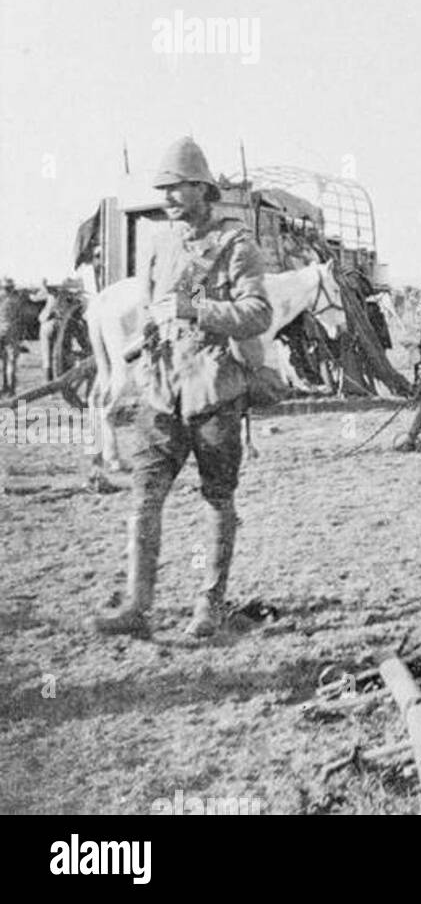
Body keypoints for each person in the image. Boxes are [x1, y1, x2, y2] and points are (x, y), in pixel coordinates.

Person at [94, 137, 271, 640]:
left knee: (217, 499)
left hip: (213, 391)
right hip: (161, 391)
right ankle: (136, 604)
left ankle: (209, 606)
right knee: (144, 498)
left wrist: (199, 310)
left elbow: (258, 313)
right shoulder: (160, 243)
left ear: (203, 188)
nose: (168, 197)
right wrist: (150, 331)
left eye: (177, 188)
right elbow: (157, 304)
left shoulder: (236, 245)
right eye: (163, 189)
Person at [0, 276, 22, 395]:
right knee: (11, 361)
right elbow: (20, 317)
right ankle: (11, 389)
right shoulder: (16, 299)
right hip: (12, 330)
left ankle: (3, 387)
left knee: (2, 361)